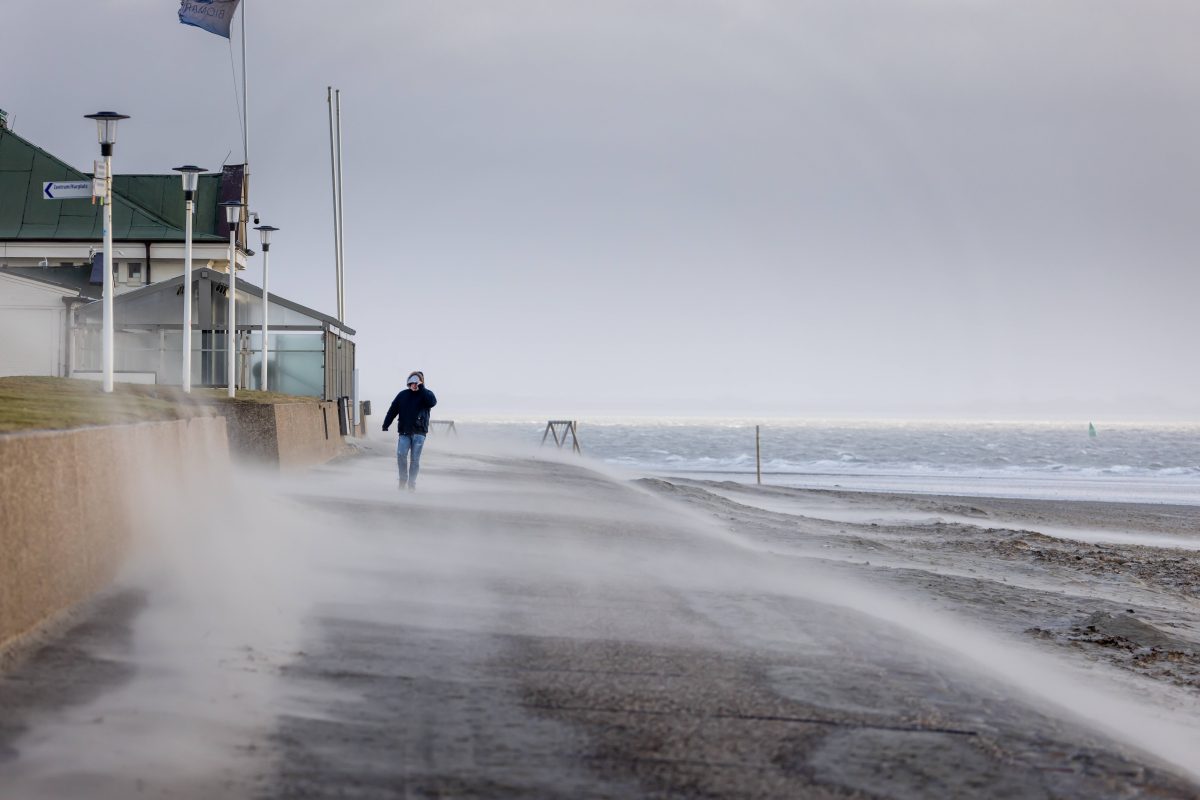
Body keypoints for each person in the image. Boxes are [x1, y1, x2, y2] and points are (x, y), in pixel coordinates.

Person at [382, 371, 437, 491]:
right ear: (408, 383)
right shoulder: (402, 395)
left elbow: (432, 403)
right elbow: (392, 410)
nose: (413, 384)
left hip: (419, 432)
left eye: (416, 382)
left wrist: (422, 388)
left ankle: (412, 484)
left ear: (420, 382)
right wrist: (386, 424)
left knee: (414, 459)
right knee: (401, 455)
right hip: (404, 431)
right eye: (411, 382)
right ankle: (402, 480)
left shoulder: (426, 394)